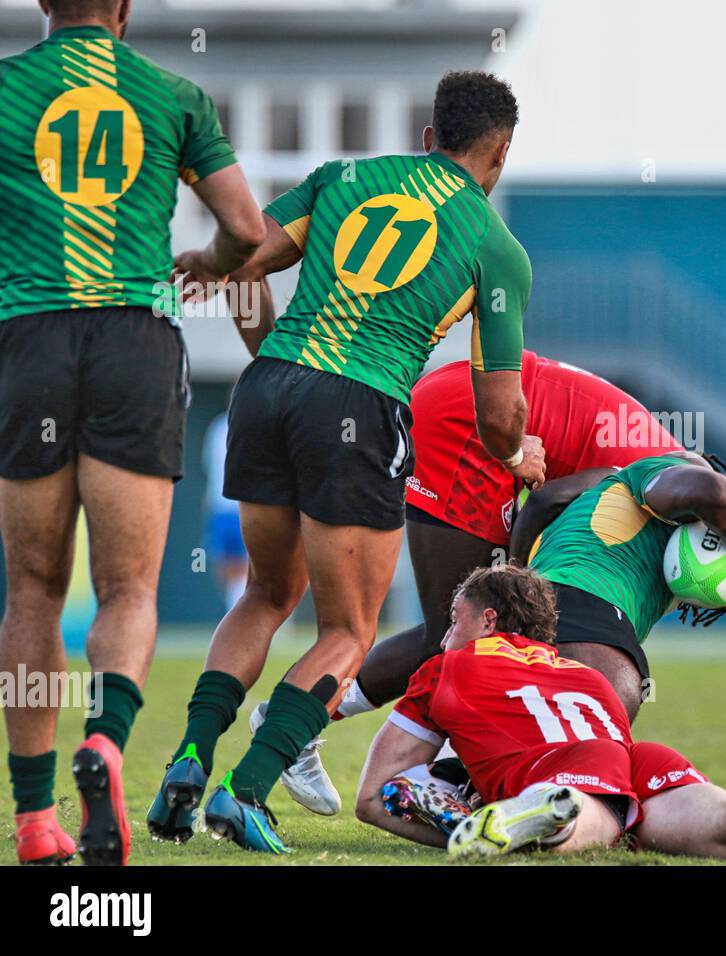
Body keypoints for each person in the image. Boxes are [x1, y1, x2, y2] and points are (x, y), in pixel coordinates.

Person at [148, 70, 544, 853]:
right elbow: (499, 413)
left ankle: (188, 760)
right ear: (498, 155)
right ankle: (246, 793)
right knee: (350, 629)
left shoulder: (344, 176)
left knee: (263, 596)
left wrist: (275, 365)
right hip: (359, 411)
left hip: (268, 393)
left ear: (430, 138)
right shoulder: (497, 247)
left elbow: (244, 260)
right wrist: (519, 455)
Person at [0, 0, 264, 865]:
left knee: (34, 593)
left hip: (30, 340)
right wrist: (210, 267)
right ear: (124, 7)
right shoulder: (174, 94)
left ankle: (37, 822)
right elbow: (246, 231)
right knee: (129, 590)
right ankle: (106, 742)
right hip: (135, 340)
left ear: (43, 3)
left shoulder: (7, 87)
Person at [268, 351, 683, 815]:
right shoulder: (651, 480)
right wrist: (519, 582)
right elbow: (546, 498)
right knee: (474, 629)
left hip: (474, 399)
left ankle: (304, 722)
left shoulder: (666, 470)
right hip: (472, 418)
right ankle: (299, 725)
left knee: (472, 634)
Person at [355, 564, 726, 862]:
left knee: (582, 825)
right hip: (632, 761)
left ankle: (545, 814)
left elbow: (375, 797)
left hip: (561, 774)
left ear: (488, 619)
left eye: (455, 620)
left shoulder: (449, 666)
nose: (447, 634)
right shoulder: (583, 675)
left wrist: (455, 828)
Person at [512, 452, 726, 720]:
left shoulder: (612, 482)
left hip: (523, 611)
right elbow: (713, 492)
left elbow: (542, 499)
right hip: (590, 611)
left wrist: (514, 582)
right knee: (591, 756)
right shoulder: (658, 472)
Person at [202, 409, 247, 612]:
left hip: (242, 506)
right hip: (222, 507)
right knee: (226, 565)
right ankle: (236, 611)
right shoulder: (219, 426)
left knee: (247, 565)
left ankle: (242, 613)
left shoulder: (223, 426)